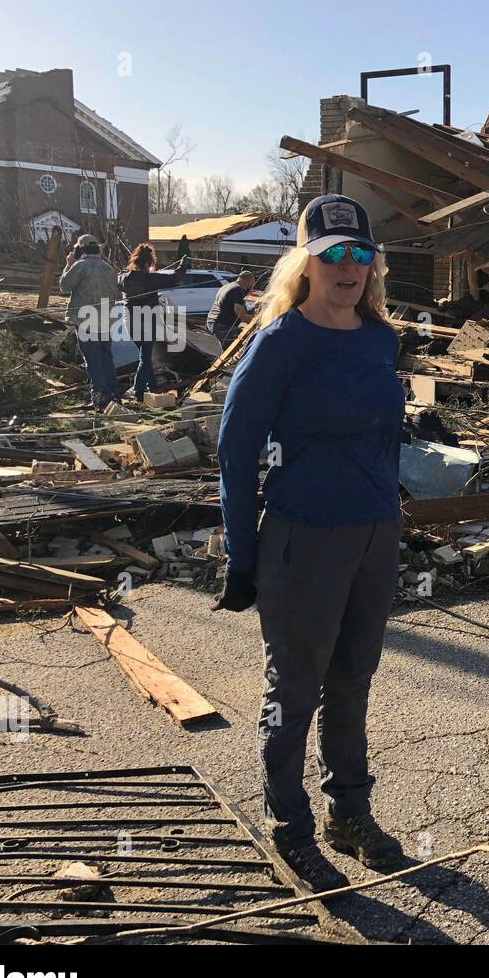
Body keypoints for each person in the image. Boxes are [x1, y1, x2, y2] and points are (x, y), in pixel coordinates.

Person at [214, 194, 404, 889]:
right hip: (303, 540)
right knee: (294, 690)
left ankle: (348, 814)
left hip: (373, 534)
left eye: (361, 254)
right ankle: (288, 824)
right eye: (333, 255)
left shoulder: (380, 336)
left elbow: (388, 436)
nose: (349, 267)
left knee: (353, 679)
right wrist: (241, 557)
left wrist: (386, 516)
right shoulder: (280, 343)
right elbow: (234, 454)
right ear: (306, 262)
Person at [118, 242, 189, 401]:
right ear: (148, 262)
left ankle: (152, 385)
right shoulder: (150, 278)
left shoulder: (122, 276)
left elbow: (118, 281)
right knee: (145, 357)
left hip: (129, 320)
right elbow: (175, 279)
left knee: (145, 355)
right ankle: (139, 391)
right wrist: (184, 263)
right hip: (147, 320)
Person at [59, 234, 122, 412]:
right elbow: (117, 295)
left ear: (80, 249)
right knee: (106, 358)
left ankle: (101, 400)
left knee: (93, 360)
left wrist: (68, 264)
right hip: (106, 321)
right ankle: (114, 397)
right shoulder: (109, 269)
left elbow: (64, 286)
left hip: (86, 321)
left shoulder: (80, 266)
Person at [206, 271, 255, 346]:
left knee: (239, 333)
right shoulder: (237, 289)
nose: (250, 287)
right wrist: (253, 322)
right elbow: (239, 312)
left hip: (211, 321)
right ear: (249, 281)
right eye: (251, 284)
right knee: (235, 347)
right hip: (222, 326)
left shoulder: (226, 286)